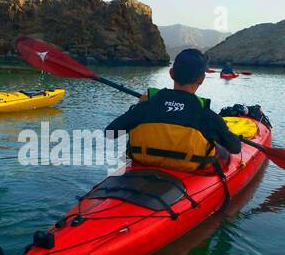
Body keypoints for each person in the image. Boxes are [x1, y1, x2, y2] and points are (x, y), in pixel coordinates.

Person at [106, 48, 248, 173]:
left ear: (171, 73)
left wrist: (138, 107)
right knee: (217, 148)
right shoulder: (206, 116)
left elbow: (110, 133)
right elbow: (235, 148)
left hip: (144, 165)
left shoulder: (146, 106)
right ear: (202, 79)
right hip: (190, 170)